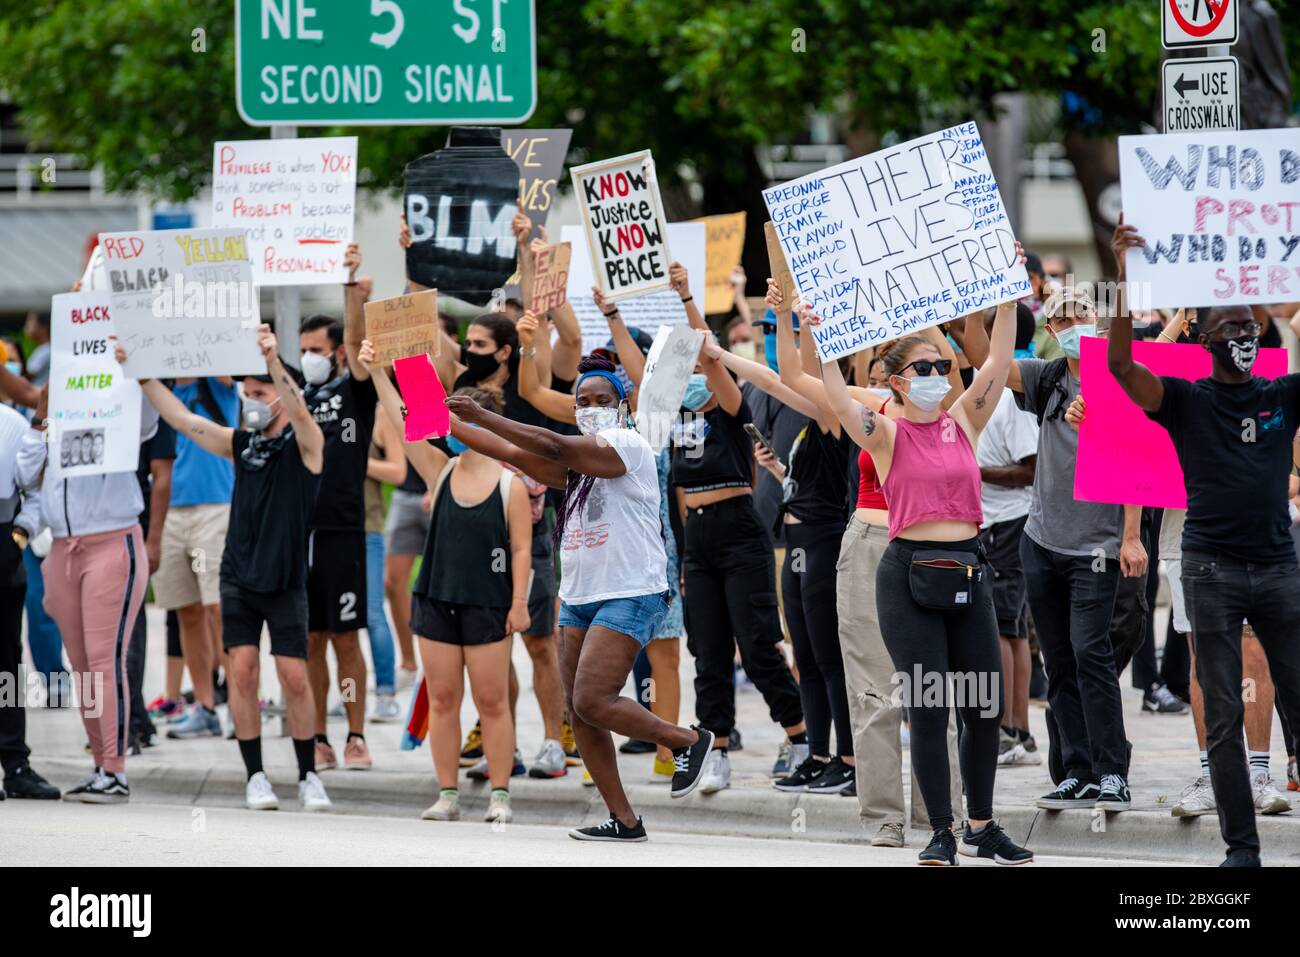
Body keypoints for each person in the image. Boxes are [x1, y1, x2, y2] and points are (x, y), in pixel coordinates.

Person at [445, 355, 716, 842]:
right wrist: (442, 421)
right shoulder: (575, 466)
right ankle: (624, 820)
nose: (591, 409)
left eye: (601, 401)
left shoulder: (629, 445)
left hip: (631, 591)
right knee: (580, 708)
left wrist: (480, 413)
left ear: (623, 405)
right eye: (582, 403)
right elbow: (518, 453)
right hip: (579, 596)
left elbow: (546, 441)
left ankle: (689, 740)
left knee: (594, 697)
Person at [818, 279, 1035, 866]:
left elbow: (996, 359)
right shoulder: (884, 432)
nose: (937, 373)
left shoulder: (965, 421)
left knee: (984, 703)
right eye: (923, 367)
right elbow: (836, 398)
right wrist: (818, 333)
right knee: (929, 705)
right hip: (906, 575)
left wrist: (1009, 296)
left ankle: (981, 825)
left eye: (942, 364)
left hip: (969, 572)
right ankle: (941, 830)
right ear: (896, 382)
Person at [1107, 217, 1300, 866]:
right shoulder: (1185, 401)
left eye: (1251, 327)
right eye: (1232, 329)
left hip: (1278, 568)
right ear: (1206, 340)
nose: (1244, 337)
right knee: (1221, 715)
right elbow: (1119, 366)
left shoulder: (1282, 394)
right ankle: (1241, 851)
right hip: (1212, 572)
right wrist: (1123, 280)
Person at [123, 326, 332, 813]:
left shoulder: (307, 446)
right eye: (248, 394)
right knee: (241, 671)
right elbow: (181, 417)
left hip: (285, 580)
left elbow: (301, 415)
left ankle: (307, 775)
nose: (251, 402)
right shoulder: (242, 444)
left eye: (261, 394)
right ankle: (255, 775)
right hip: (237, 576)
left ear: (281, 397)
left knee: (294, 676)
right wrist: (140, 372)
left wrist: (275, 363)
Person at [964, 284, 1146, 811]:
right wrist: (992, 300)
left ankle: (1113, 771)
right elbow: (984, 359)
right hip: (1041, 542)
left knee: (1093, 655)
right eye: (1063, 318)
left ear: (1100, 321)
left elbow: (1139, 457)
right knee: (1061, 661)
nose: (1074, 324)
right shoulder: (1047, 378)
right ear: (1050, 332)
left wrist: (1130, 536)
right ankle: (1077, 771)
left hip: (1097, 544)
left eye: (1083, 314)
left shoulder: (1121, 378)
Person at [516, 308, 685, 782]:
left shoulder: (650, 421)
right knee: (595, 679)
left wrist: (611, 316)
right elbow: (531, 394)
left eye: (611, 371)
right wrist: (532, 341)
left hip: (649, 552)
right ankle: (605, 753)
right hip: (594, 562)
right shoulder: (584, 421)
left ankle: (672, 753)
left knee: (664, 653)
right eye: (587, 390)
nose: (593, 396)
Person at [365, 342, 530, 824]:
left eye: (463, 418)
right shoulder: (440, 471)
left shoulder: (510, 484)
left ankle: (500, 794)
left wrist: (519, 603)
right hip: (437, 600)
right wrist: (380, 370)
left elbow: (521, 550)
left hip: (487, 605)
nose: (452, 427)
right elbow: (404, 419)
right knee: (441, 700)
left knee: (492, 702)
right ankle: (447, 794)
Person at [663, 263, 807, 792]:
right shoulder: (671, 409)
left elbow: (707, 350)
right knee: (708, 649)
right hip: (697, 538)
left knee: (759, 643)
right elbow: (642, 369)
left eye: (701, 368)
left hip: (740, 530)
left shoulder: (726, 404)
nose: (694, 374)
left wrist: (685, 299)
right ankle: (716, 746)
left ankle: (799, 736)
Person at [16, 386, 157, 803]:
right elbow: (26, 470)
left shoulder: (122, 405)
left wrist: (140, 377)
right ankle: (100, 763)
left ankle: (114, 768)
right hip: (62, 545)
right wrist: (42, 415)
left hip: (112, 541)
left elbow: (147, 425)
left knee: (104, 659)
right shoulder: (55, 414)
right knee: (81, 666)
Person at [302, 246, 378, 771]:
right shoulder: (292, 393)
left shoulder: (355, 392)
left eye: (315, 348)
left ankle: (355, 735)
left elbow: (355, 339)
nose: (307, 355)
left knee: (345, 638)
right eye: (301, 347)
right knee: (309, 639)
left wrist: (349, 285)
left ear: (334, 352)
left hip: (343, 531)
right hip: (298, 535)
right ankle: (317, 737)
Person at [974, 306, 1041, 767]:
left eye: (984, 323)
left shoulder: (1017, 395)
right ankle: (1016, 730)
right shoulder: (994, 386)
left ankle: (1008, 730)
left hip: (1010, 523)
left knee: (1003, 628)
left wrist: (972, 472)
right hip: (998, 522)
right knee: (1010, 629)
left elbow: (1030, 469)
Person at [155, 376, 238, 741]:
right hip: (170, 514)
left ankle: (239, 705)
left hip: (212, 511)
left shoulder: (217, 382)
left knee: (218, 609)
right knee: (187, 612)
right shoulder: (162, 387)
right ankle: (205, 707)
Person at [0, 480, 61, 800]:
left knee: (8, 662)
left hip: (5, 537)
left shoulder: (18, 428)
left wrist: (20, 534)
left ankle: (15, 765)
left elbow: (36, 487)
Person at [127, 414, 175, 752]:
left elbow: (162, 475)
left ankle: (128, 722)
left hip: (132, 526)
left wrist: (153, 539)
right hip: (84, 526)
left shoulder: (152, 408)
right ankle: (131, 716)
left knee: (130, 627)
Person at [364, 411, 405, 721]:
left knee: (373, 612)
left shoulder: (377, 414)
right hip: (323, 529)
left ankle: (386, 693)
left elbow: (397, 470)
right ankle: (347, 694)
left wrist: (353, 459)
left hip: (366, 529)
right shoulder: (318, 403)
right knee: (336, 624)